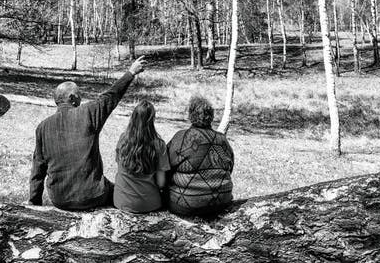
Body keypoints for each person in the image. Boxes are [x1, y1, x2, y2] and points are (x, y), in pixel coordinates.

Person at [29, 56, 146, 211]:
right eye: (79, 94)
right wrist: (130, 73)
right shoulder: (88, 113)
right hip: (93, 195)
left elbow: (38, 168)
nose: (81, 97)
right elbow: (111, 95)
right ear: (72, 98)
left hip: (60, 199)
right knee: (120, 192)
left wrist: (34, 203)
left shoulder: (42, 127)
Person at [167, 94, 234, 217]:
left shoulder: (181, 138)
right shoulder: (222, 139)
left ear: (190, 115)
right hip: (222, 202)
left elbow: (165, 167)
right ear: (212, 116)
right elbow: (230, 167)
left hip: (186, 205)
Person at [113, 99, 169, 213]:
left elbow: (118, 165)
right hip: (150, 204)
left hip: (122, 201)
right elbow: (161, 183)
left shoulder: (123, 140)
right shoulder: (159, 145)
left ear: (133, 117)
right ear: (152, 120)